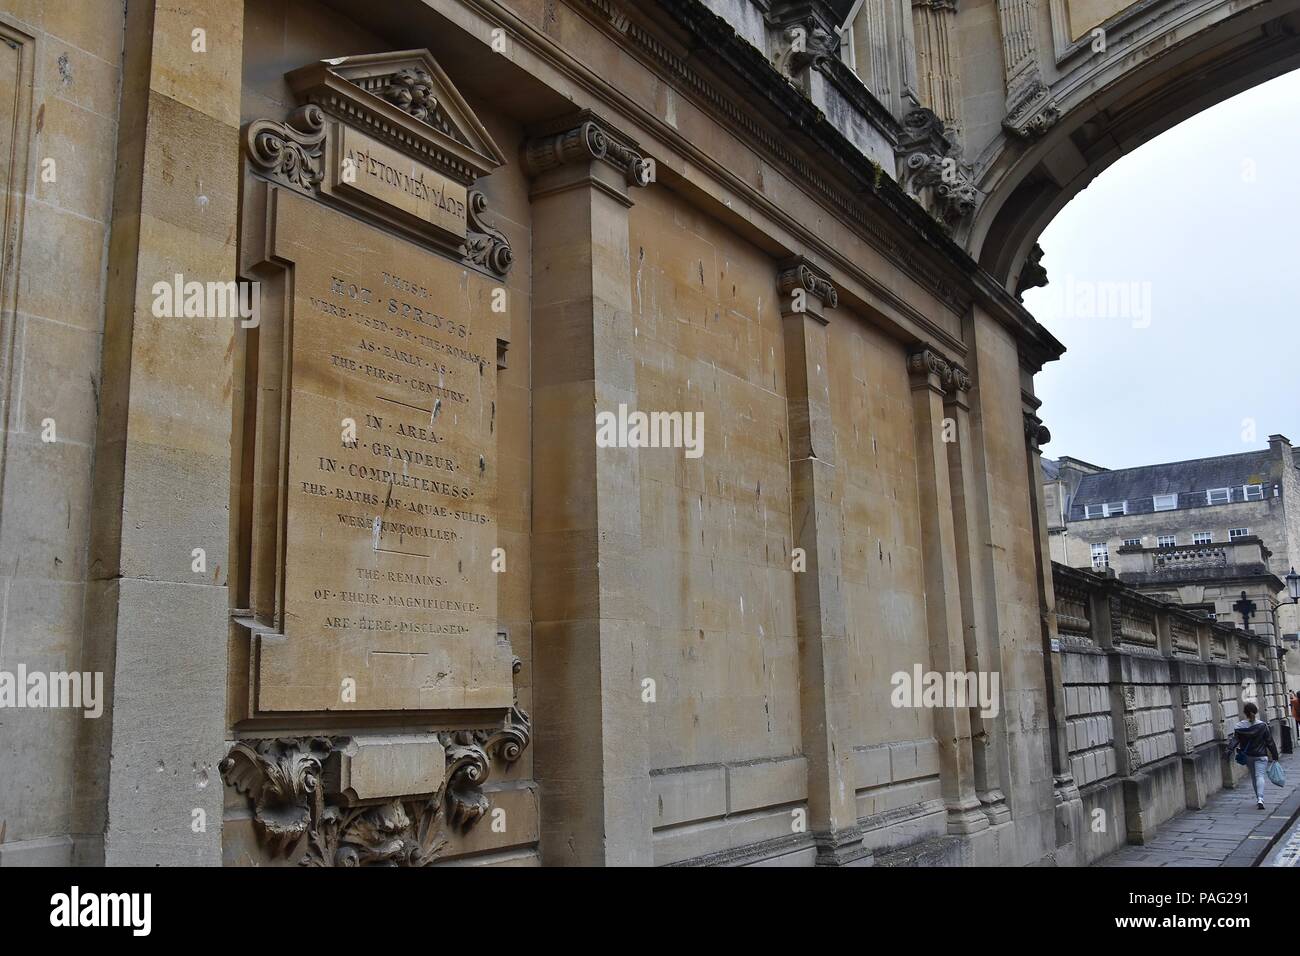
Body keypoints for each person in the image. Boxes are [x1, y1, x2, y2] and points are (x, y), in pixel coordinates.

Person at [1225, 702, 1280, 809]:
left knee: (1254, 777)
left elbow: (1235, 740)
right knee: (1260, 776)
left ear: (1245, 713)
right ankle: (1260, 798)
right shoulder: (1263, 725)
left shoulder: (1239, 726)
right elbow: (1270, 742)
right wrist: (1275, 755)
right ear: (1255, 712)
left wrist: (1229, 750)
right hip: (1261, 755)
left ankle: (1258, 798)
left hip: (1249, 755)